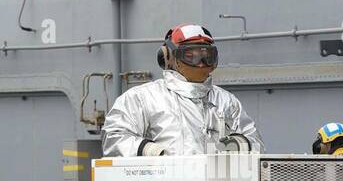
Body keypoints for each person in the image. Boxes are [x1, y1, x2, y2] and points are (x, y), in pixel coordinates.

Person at [102, 24, 262, 157]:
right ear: (168, 58)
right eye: (191, 55)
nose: (200, 63)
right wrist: (149, 150)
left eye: (207, 55)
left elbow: (255, 142)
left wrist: (239, 145)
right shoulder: (142, 98)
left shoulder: (226, 101)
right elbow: (114, 137)